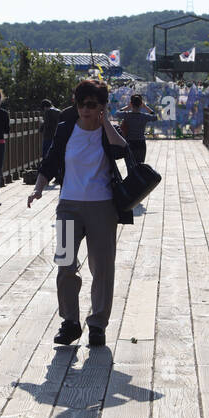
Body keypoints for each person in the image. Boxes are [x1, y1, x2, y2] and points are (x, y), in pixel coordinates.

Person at [28, 79, 130, 347]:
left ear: (101, 106)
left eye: (92, 104)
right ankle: (70, 322)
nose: (85, 109)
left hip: (102, 206)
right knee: (64, 263)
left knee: (103, 268)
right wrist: (38, 189)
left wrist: (105, 120)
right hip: (68, 205)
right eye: (81, 103)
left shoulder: (109, 132)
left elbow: (121, 150)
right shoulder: (65, 130)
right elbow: (49, 161)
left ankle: (97, 324)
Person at [114, 93, 156, 166]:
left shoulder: (126, 115)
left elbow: (117, 113)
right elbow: (155, 117)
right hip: (140, 143)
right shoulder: (144, 116)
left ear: (131, 104)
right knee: (140, 166)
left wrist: (127, 107)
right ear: (141, 105)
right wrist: (146, 107)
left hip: (129, 143)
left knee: (130, 167)